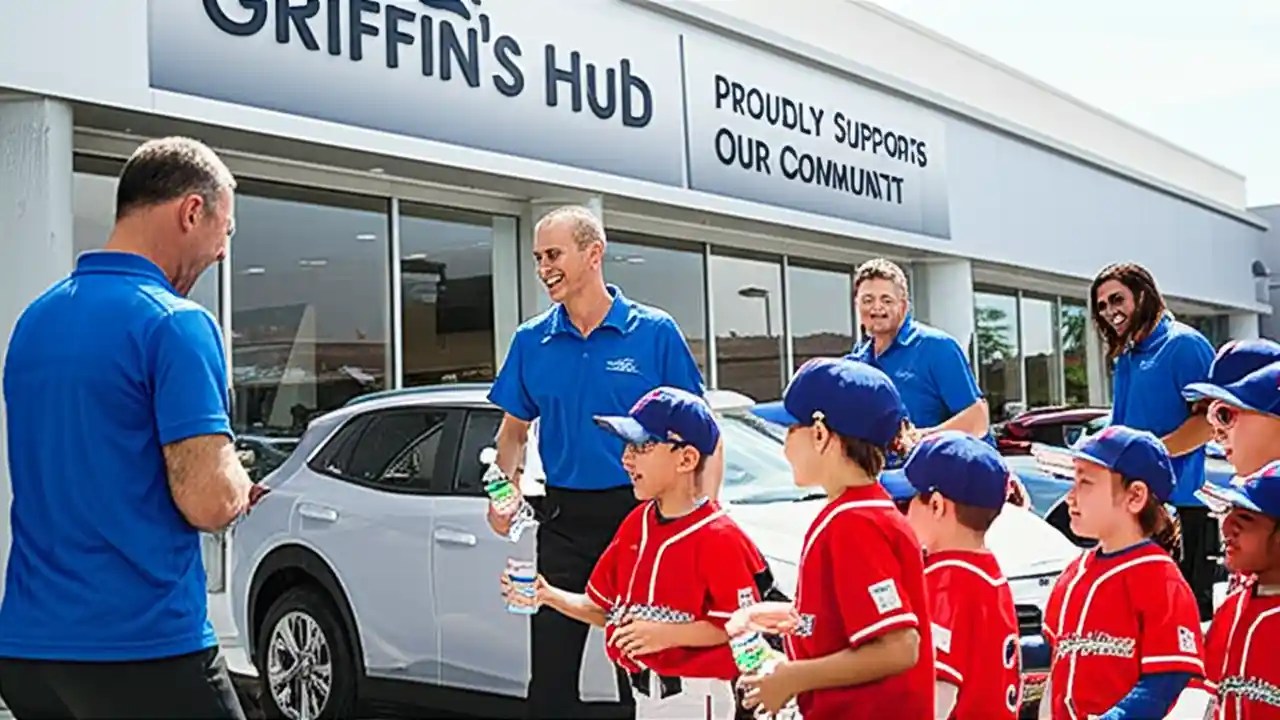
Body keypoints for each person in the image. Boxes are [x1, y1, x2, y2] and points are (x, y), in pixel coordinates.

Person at [0, 137, 259, 718]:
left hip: (28, 652)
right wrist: (240, 485)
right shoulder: (177, 324)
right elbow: (207, 500)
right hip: (142, 649)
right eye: (227, 230)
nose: (222, 252)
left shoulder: (34, 321)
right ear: (192, 212)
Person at [486, 205, 720, 718]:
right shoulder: (531, 340)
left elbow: (704, 434)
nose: (544, 267)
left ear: (594, 254)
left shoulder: (654, 332)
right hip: (564, 521)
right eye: (537, 257)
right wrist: (502, 494)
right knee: (549, 681)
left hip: (641, 522)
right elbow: (512, 434)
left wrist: (703, 515)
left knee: (642, 677)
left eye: (554, 254)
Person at [503, 386, 768, 719]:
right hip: (644, 694)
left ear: (686, 458)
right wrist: (548, 595)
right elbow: (606, 609)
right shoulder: (636, 523)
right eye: (627, 445)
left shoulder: (719, 536)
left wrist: (665, 634)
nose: (627, 457)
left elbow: (742, 626)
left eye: (643, 446)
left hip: (702, 696)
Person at [727, 357, 934, 720]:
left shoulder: (854, 524)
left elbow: (899, 647)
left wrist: (792, 677)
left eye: (791, 428)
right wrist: (793, 619)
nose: (784, 444)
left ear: (820, 434)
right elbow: (852, 622)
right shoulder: (865, 510)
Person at [1039, 426, 1205, 720]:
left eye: (1085, 483)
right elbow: (1053, 654)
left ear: (1135, 496)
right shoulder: (1075, 572)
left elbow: (1166, 679)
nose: (1070, 497)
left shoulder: (1160, 578)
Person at [1091, 261, 1217, 618]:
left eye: (1117, 300)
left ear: (1143, 295)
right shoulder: (1127, 354)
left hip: (1182, 510)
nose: (1110, 312)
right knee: (1136, 617)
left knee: (1182, 620)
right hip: (1134, 508)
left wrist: (1150, 456)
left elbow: (1210, 421)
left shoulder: (1184, 345)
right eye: (1102, 306)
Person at [882, 431, 1022, 720]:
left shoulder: (947, 581)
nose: (901, 513)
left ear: (936, 505)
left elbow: (938, 693)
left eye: (906, 503)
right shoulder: (986, 571)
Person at [846, 258, 989, 442]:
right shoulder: (856, 362)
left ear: (904, 306)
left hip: (944, 467)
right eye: (868, 300)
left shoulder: (937, 348)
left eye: (886, 300)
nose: (877, 307)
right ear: (857, 305)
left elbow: (977, 419)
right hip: (883, 469)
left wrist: (919, 439)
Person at [1195, 460, 1280, 720]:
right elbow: (1215, 702)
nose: (1226, 528)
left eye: (1244, 518)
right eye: (1228, 514)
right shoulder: (1233, 606)